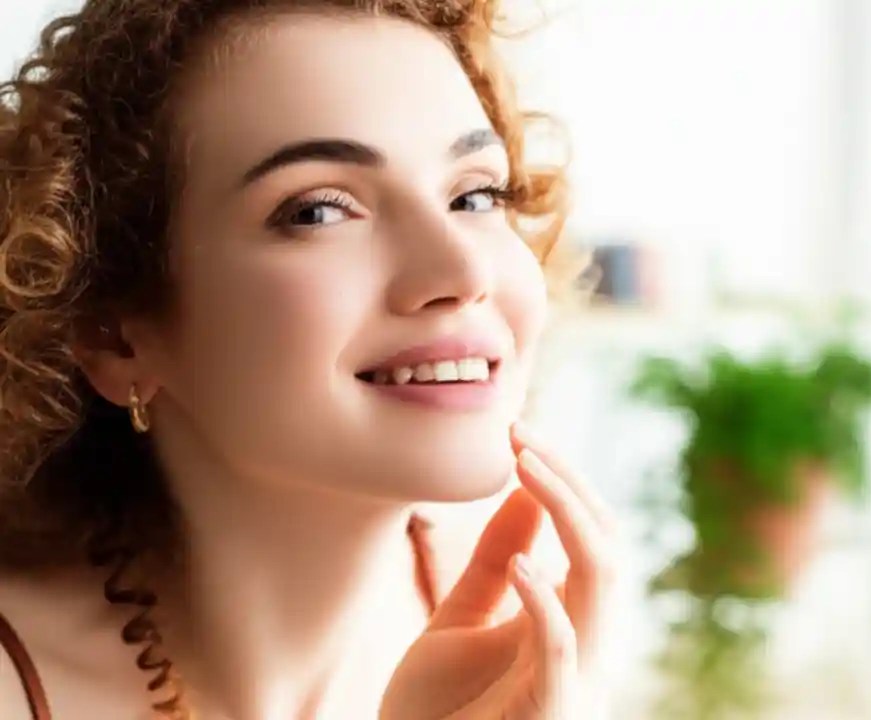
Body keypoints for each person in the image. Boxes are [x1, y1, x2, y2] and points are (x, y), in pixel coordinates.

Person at [0, 0, 613, 718]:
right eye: (318, 210)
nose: (460, 270)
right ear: (116, 336)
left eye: (475, 194)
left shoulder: (530, 618)